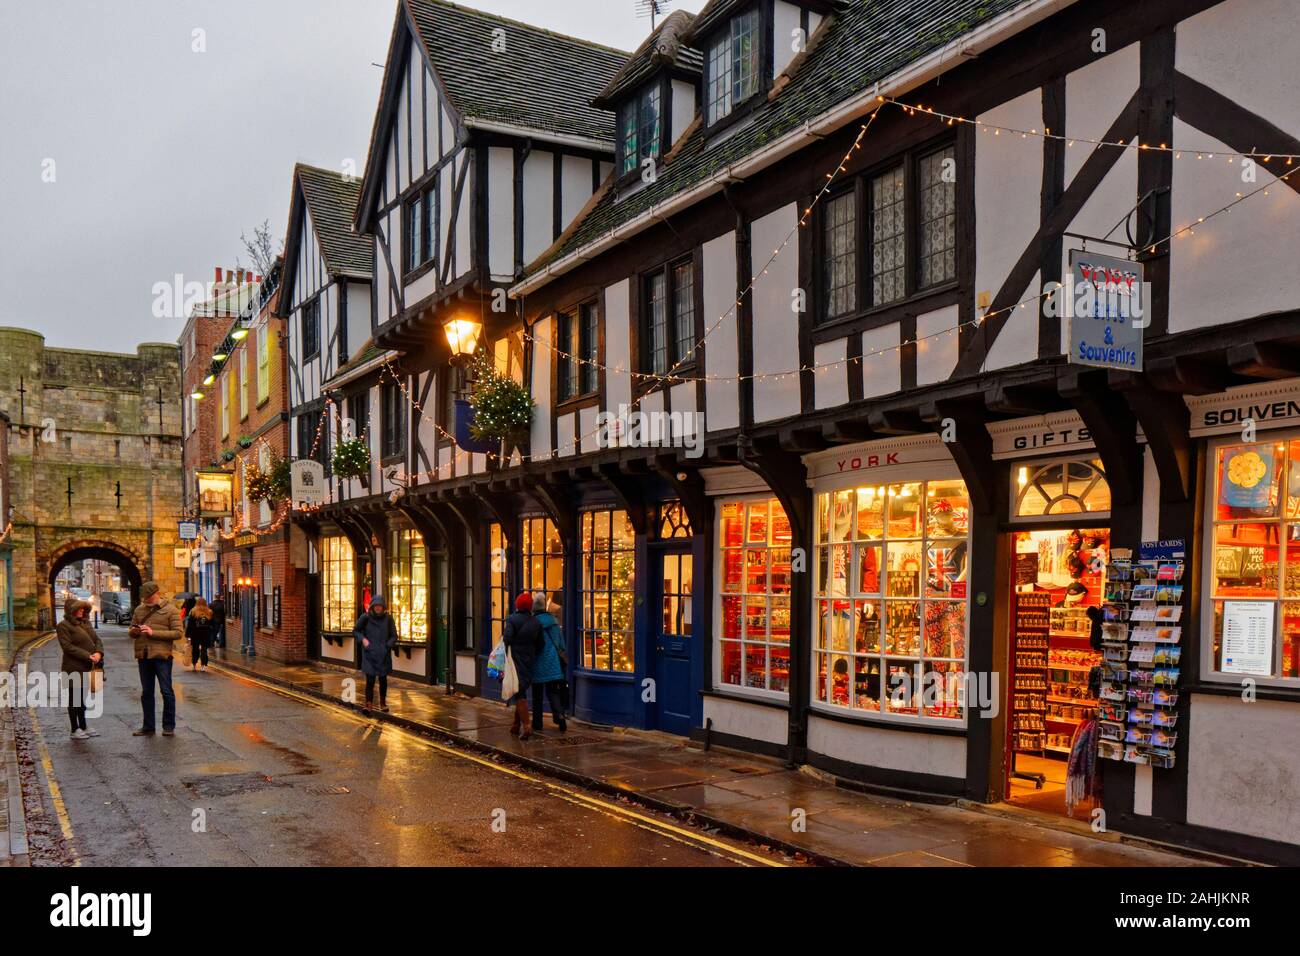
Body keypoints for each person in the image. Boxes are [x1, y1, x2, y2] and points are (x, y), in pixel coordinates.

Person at [129, 581, 184, 737]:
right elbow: (131, 630)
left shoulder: (171, 610)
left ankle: (168, 726)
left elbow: (178, 633)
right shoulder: (139, 610)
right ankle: (148, 726)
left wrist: (154, 633)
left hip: (162, 657)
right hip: (143, 655)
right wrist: (134, 631)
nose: (144, 600)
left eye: (147, 597)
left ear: (155, 595)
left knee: (166, 691)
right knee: (146, 692)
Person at [56, 596, 104, 740]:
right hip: (72, 667)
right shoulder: (63, 626)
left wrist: (98, 653)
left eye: (84, 608)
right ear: (72, 610)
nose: (82, 610)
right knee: (74, 699)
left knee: (82, 698)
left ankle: (83, 726)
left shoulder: (85, 623)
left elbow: (97, 640)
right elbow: (67, 647)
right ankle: (74, 728)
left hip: (87, 667)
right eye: (79, 608)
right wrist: (88, 655)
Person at [502, 592, 542, 739]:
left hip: (515, 661)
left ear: (517, 605)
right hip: (529, 660)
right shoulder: (536, 622)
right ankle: (515, 724)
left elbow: (507, 639)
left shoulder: (512, 619)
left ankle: (527, 726)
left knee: (520, 694)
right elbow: (540, 643)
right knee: (520, 690)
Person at [353, 595, 399, 712]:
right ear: (372, 606)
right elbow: (356, 631)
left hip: (383, 654)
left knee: (383, 679)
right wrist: (363, 639)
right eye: (376, 606)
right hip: (369, 654)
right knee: (370, 679)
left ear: (383, 607)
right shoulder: (365, 617)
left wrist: (387, 646)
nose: (378, 608)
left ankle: (383, 703)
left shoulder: (388, 619)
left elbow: (394, 636)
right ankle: (368, 704)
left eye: (380, 606)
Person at [530, 594, 567, 733]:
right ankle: (560, 715)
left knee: (537, 694)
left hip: (538, 662)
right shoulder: (553, 621)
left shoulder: (533, 622)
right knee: (553, 692)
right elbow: (561, 644)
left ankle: (537, 724)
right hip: (553, 662)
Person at [185, 597, 216, 671]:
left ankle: (194, 664)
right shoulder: (209, 612)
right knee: (204, 650)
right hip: (206, 633)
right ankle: (203, 666)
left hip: (195, 633)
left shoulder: (193, 611)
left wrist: (187, 634)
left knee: (195, 649)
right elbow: (213, 624)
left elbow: (190, 624)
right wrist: (211, 632)